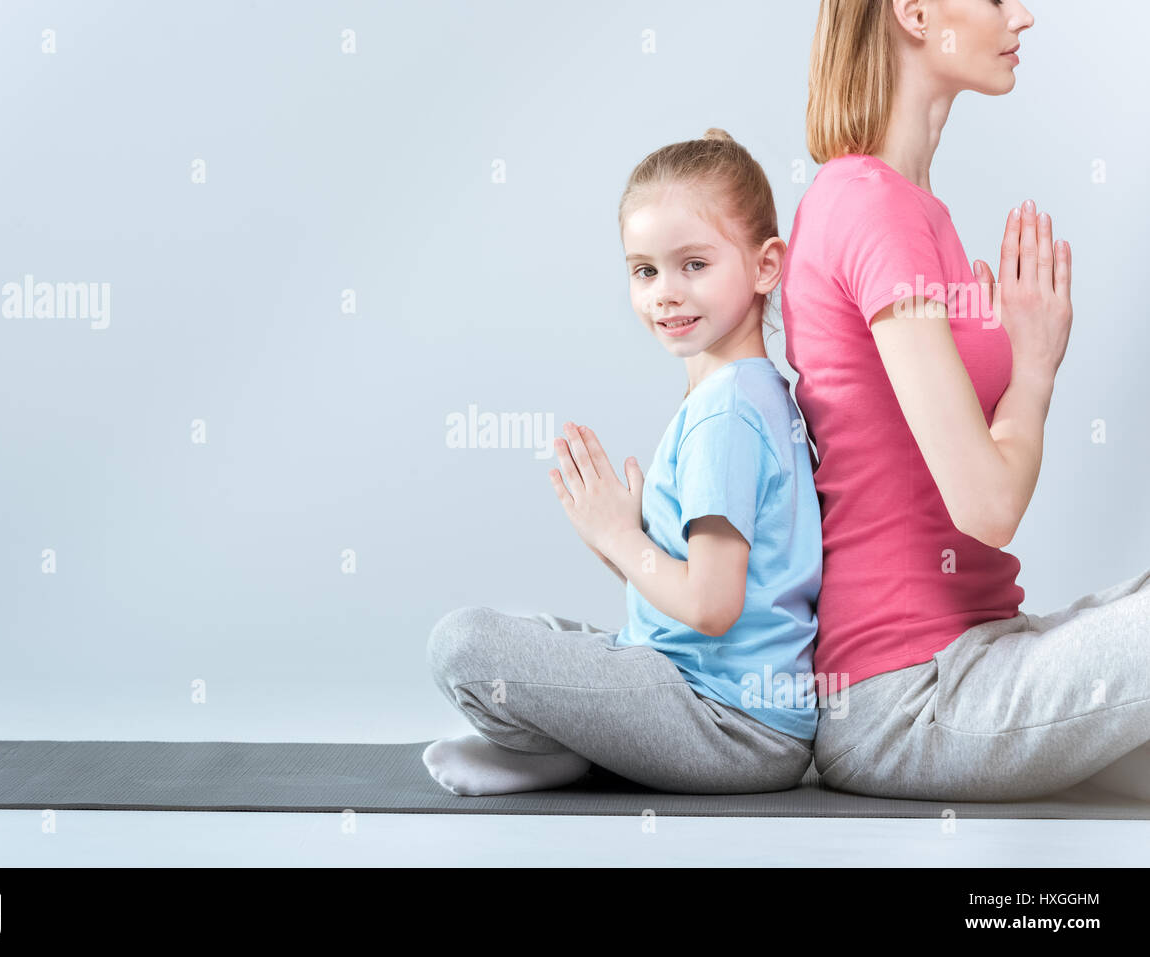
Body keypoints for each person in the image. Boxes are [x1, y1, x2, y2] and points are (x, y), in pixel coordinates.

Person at [781, 0, 1150, 801]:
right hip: (911, 697)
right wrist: (1036, 368)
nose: (1020, 16)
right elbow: (986, 505)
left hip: (986, 652)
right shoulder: (870, 206)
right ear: (914, 12)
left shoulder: (911, 207)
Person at [422, 129, 823, 796]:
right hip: (713, 701)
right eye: (645, 270)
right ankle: (575, 747)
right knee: (548, 636)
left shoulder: (727, 413)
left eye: (694, 264)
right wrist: (623, 547)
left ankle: (567, 753)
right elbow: (712, 594)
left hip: (732, 727)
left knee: (462, 644)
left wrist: (620, 535)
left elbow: (712, 604)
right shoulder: (746, 392)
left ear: (765, 265)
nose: (665, 292)